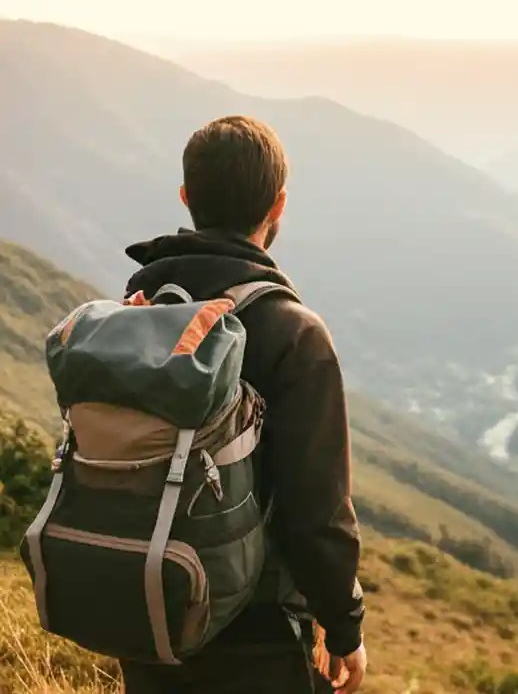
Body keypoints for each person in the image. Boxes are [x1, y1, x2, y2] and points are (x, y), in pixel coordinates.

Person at [117, 115, 368, 694]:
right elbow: (317, 510)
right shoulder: (292, 332)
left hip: (149, 611)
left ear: (186, 196)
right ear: (278, 205)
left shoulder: (138, 308)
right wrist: (344, 625)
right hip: (254, 636)